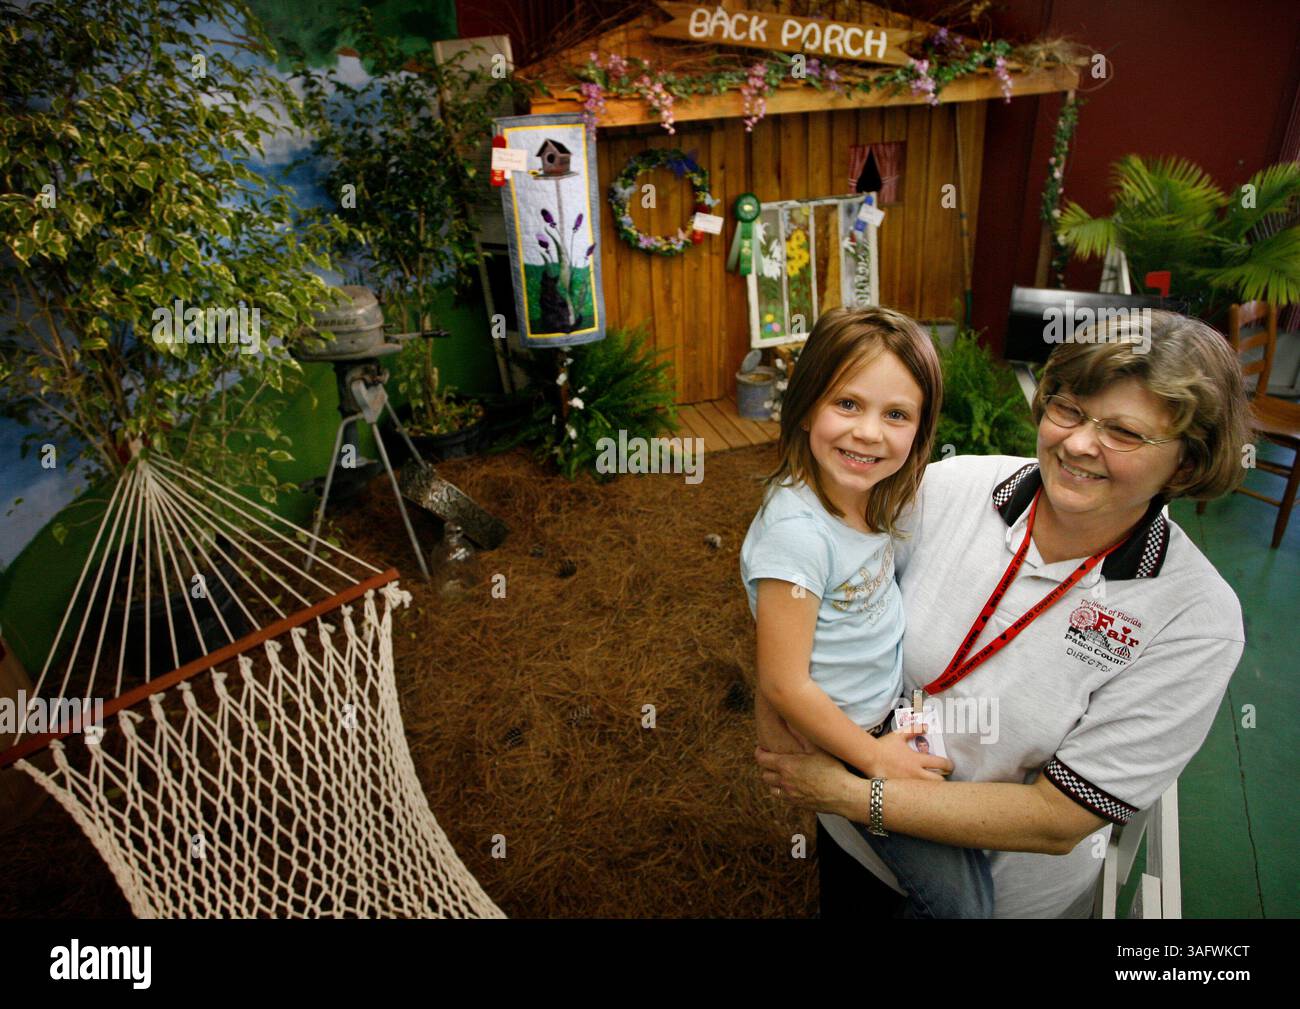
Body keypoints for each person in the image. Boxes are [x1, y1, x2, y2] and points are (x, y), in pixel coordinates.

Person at [756, 309, 1253, 918]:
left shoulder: (1194, 618)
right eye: (1068, 409)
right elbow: (810, 605)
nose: (1077, 443)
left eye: (1123, 433)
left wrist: (855, 792)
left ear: (1187, 462)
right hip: (859, 848)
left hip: (1002, 894)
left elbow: (1058, 819)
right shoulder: (948, 490)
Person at [740, 306, 993, 918]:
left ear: (920, 430)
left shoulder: (860, 498)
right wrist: (876, 758)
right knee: (961, 906)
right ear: (803, 407)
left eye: (896, 415)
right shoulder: (798, 534)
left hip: (879, 720)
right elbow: (784, 680)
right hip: (849, 744)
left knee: (973, 876)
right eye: (847, 404)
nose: (869, 433)